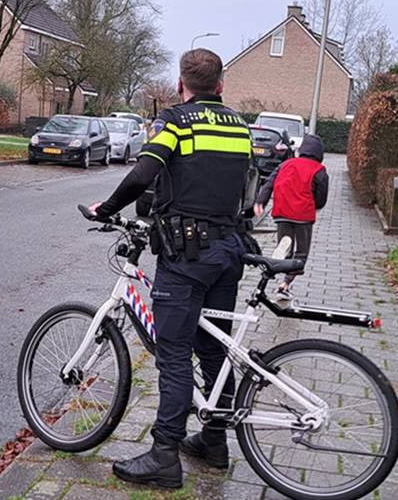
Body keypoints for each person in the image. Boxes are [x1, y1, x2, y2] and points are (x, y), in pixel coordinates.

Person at [89, 49, 253, 488]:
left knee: (174, 353)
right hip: (229, 253)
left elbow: (143, 174)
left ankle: (164, 455)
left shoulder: (176, 122)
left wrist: (107, 208)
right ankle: (214, 441)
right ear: (220, 86)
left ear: (181, 85)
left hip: (187, 257)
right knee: (213, 351)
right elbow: (246, 187)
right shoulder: (240, 126)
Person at [253, 134, 328, 303]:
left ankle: (277, 265)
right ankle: (285, 283)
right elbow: (321, 198)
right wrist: (314, 205)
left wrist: (260, 202)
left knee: (285, 246)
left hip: (282, 213)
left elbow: (269, 183)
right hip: (303, 216)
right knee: (301, 253)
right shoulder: (319, 170)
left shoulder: (285, 164)